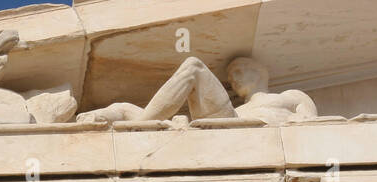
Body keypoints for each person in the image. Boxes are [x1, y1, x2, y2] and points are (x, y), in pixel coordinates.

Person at [77, 56, 317, 125]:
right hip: (223, 125)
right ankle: (95, 119)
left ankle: (143, 125)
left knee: (194, 67)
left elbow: (313, 128)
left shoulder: (290, 96)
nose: (234, 79)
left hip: (240, 132)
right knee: (123, 107)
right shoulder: (241, 108)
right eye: (232, 76)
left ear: (262, 71)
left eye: (241, 71)